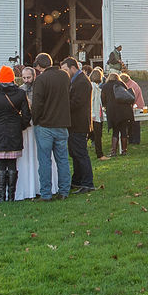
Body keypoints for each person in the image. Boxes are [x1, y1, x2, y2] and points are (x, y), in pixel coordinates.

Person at [0, 65, 32, 201]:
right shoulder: (20, 93)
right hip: (14, 129)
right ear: (12, 78)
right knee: (12, 164)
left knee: (1, 164)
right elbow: (27, 115)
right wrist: (20, 126)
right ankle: (11, 195)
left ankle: (1, 196)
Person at [31, 53, 71, 201]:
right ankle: (64, 191)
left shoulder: (40, 80)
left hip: (45, 125)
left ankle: (46, 193)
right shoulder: (64, 76)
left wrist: (35, 120)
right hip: (62, 123)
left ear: (38, 66)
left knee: (45, 161)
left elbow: (37, 104)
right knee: (63, 160)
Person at [62, 57, 96, 194]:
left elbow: (76, 103)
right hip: (75, 123)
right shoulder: (76, 80)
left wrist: (61, 106)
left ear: (73, 68)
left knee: (80, 153)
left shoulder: (81, 82)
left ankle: (87, 182)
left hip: (79, 123)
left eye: (65, 70)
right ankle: (78, 179)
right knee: (75, 153)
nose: (64, 73)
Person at [102, 73, 133, 157]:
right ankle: (124, 150)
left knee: (115, 131)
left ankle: (113, 151)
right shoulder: (121, 84)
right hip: (124, 110)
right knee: (123, 131)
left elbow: (103, 99)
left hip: (112, 111)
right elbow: (127, 95)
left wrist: (106, 106)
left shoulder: (105, 86)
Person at [88, 68, 108, 161]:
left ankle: (99, 153)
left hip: (97, 114)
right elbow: (91, 101)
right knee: (97, 135)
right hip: (95, 115)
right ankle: (100, 154)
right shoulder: (93, 87)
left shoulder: (94, 86)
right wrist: (92, 114)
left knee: (95, 135)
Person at [122, 71, 145, 145]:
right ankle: (131, 139)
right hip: (134, 107)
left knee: (135, 124)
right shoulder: (131, 84)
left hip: (137, 107)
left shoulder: (132, 86)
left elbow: (131, 98)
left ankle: (136, 140)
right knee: (131, 124)